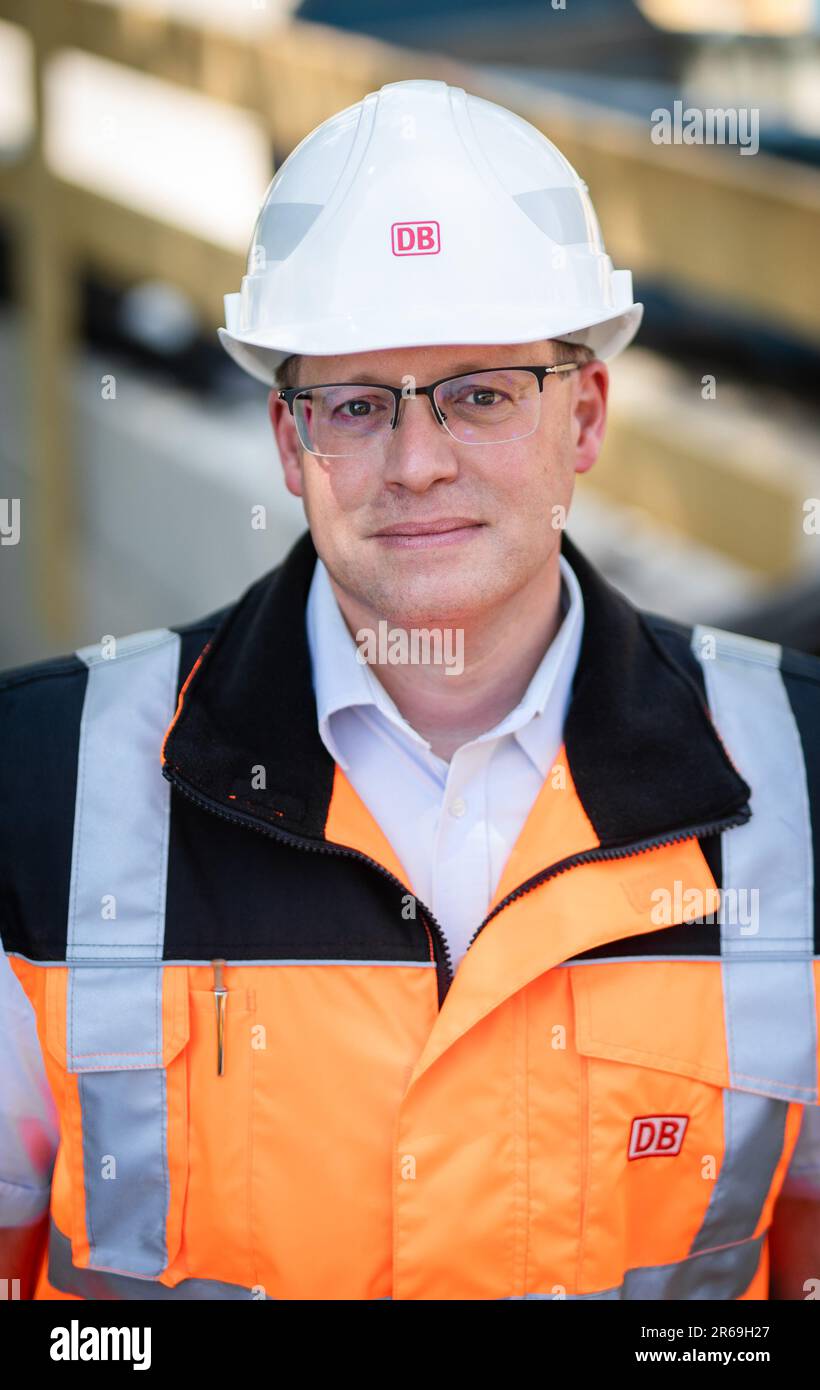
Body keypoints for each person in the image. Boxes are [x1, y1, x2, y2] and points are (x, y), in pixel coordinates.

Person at [1, 78, 819, 1302]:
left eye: (481, 393)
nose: (418, 460)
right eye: (357, 405)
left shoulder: (801, 777)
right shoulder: (37, 786)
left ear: (584, 416)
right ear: (291, 443)